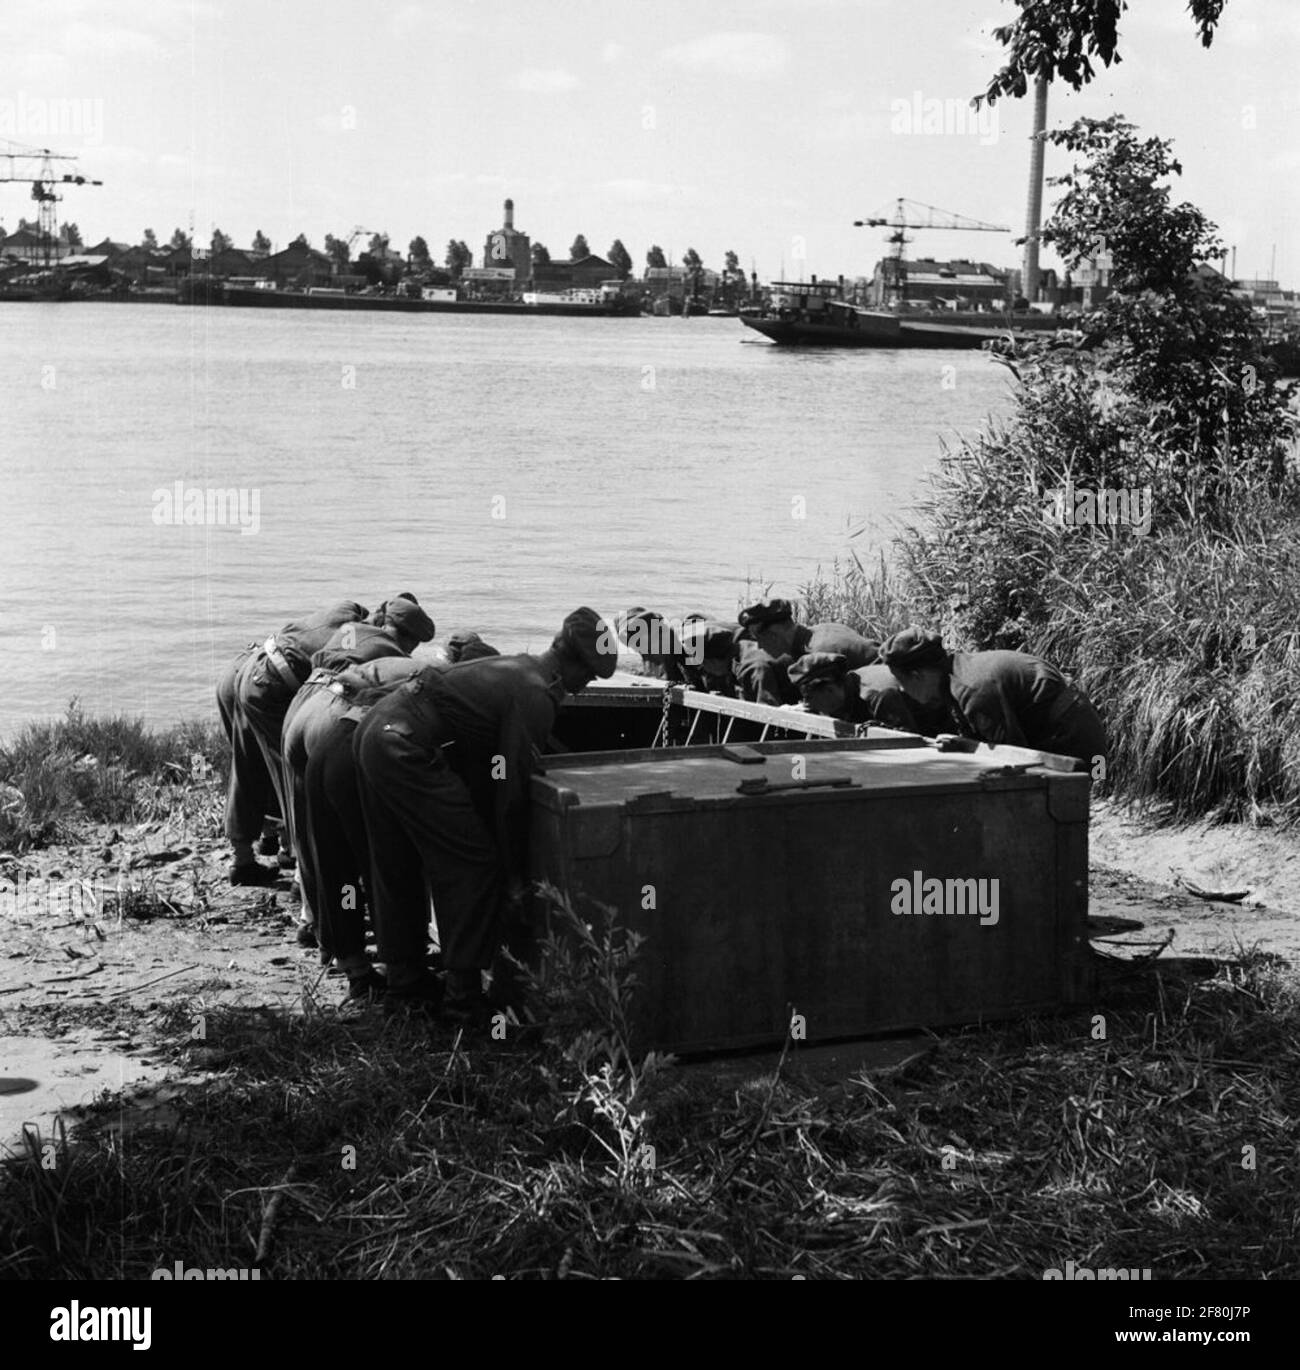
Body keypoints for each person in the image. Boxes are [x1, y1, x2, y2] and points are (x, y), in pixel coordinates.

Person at [353, 607, 618, 1023]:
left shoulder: (518, 665)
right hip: (406, 748)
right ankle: (463, 997)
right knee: (473, 865)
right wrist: (512, 875)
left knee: (397, 859)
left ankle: (405, 985)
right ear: (572, 663)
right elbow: (510, 793)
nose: (582, 689)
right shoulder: (537, 694)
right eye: (586, 678)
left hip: (376, 730)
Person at [222, 599, 368, 886]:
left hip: (244, 670)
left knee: (249, 768)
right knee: (297, 780)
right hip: (268, 685)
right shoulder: (361, 644)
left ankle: (247, 857)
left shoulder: (334, 617)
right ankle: (303, 871)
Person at [878, 627, 1107, 764]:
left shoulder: (971, 690)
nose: (900, 690)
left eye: (901, 682)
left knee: (1085, 793)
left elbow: (1013, 757)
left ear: (917, 675)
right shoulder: (955, 674)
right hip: (1073, 725)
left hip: (1080, 734)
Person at [735, 599, 880, 705]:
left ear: (776, 632)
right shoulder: (821, 630)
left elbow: (833, 699)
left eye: (759, 638)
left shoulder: (819, 652)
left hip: (881, 695)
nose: (759, 646)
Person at [786, 653, 943, 734]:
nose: (807, 704)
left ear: (830, 689)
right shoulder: (845, 686)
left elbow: (907, 744)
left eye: (809, 698)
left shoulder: (878, 696)